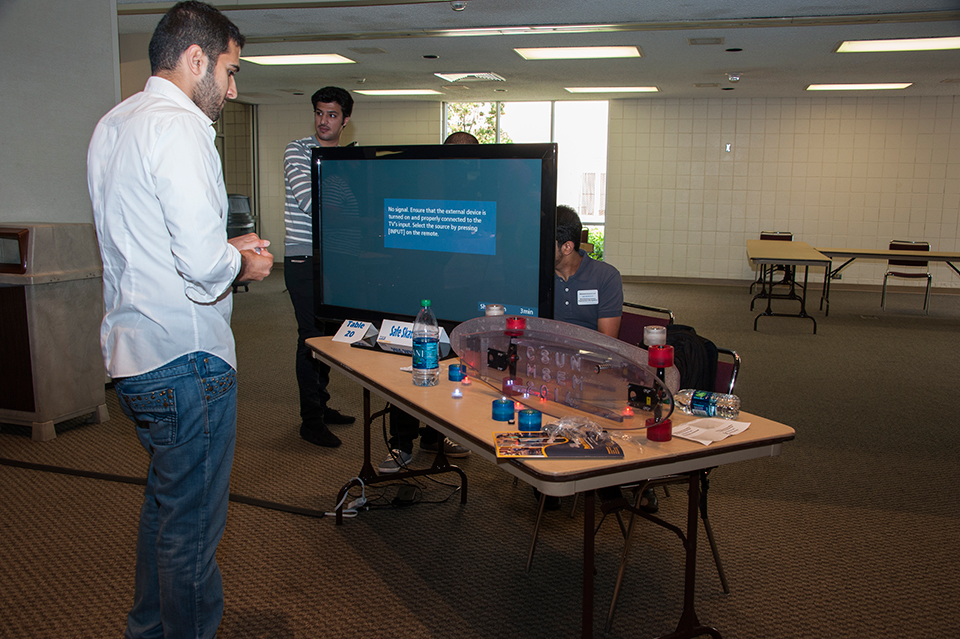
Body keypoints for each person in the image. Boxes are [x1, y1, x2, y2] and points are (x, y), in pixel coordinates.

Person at [86, 3, 273, 637]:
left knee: (165, 514)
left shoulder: (114, 124)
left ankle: (148, 630)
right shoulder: (182, 126)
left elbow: (140, 244)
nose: (233, 86)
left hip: (133, 357)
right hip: (187, 361)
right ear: (195, 59)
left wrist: (224, 254)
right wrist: (243, 263)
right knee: (191, 535)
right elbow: (199, 264)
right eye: (229, 69)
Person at [378, 131, 478, 473]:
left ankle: (437, 435)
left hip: (459, 292)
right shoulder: (420, 181)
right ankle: (401, 444)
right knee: (409, 363)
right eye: (455, 155)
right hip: (417, 290)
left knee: (450, 364)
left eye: (469, 158)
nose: (462, 164)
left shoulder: (479, 190)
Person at [283, 86, 358, 448]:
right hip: (305, 259)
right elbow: (313, 203)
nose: (323, 121)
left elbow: (355, 213)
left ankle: (322, 404)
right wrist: (358, 212)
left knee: (330, 337)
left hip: (340, 260)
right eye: (319, 113)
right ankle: (310, 421)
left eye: (331, 115)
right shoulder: (298, 151)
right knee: (310, 337)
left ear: (345, 120)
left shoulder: (345, 160)